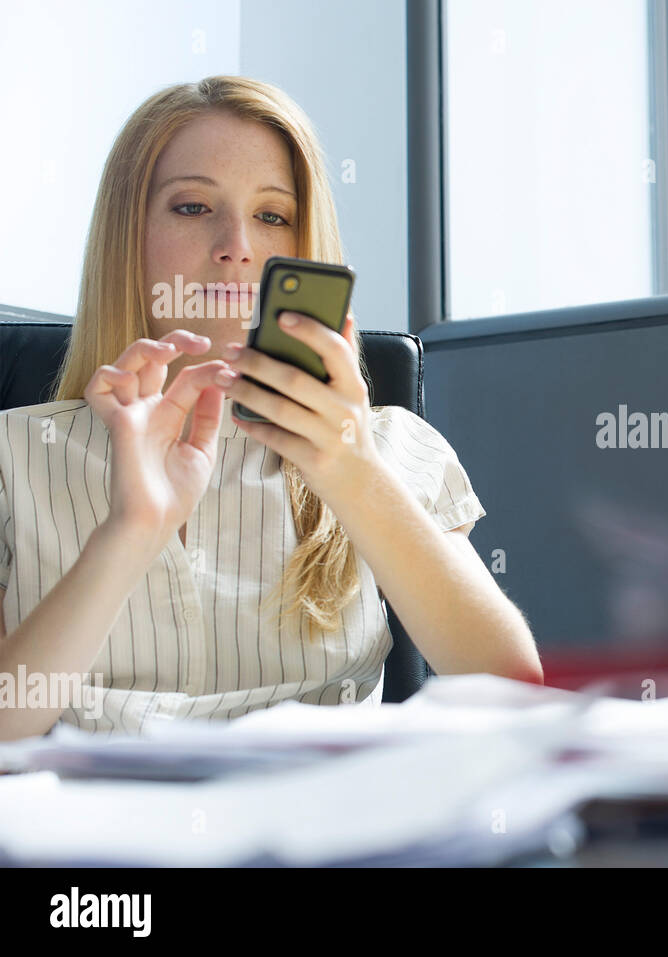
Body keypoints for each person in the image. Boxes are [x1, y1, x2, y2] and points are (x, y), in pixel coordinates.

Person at [0, 76, 542, 740]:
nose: (238, 245)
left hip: (329, 829)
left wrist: (352, 473)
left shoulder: (391, 449)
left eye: (272, 215)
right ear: (127, 237)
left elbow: (512, 694)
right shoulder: (15, 457)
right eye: (194, 207)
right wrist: (132, 528)